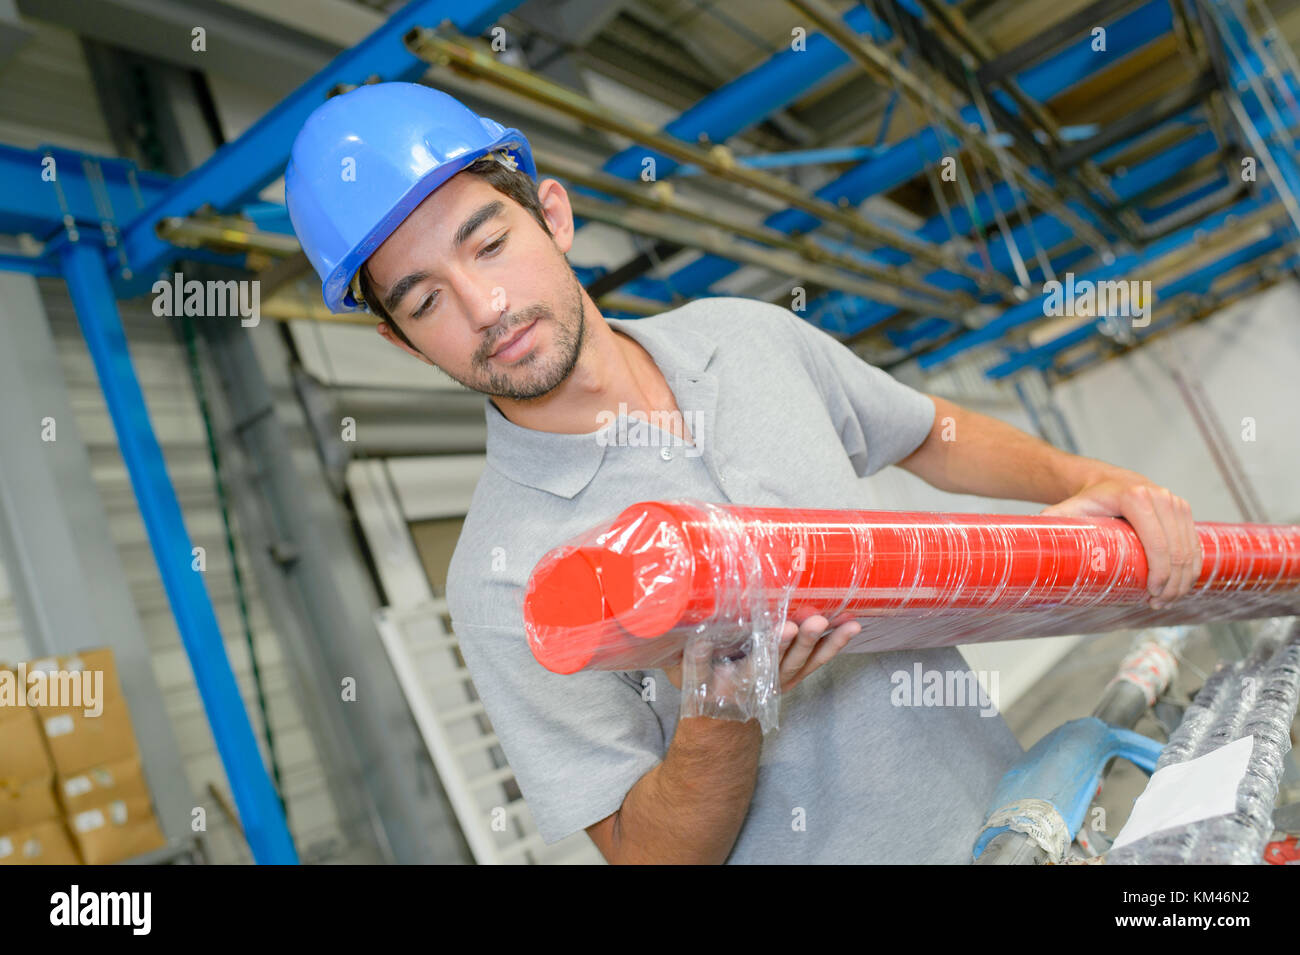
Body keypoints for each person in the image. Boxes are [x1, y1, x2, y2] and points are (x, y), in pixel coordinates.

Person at [286, 82, 1202, 864]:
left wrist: (1090, 480)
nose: (485, 306)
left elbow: (932, 433)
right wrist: (722, 711)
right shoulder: (501, 579)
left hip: (1016, 826)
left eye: (488, 244)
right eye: (426, 300)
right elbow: (645, 857)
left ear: (552, 215)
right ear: (399, 340)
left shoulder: (747, 338)